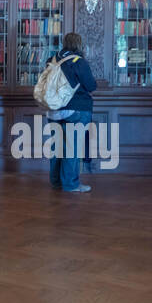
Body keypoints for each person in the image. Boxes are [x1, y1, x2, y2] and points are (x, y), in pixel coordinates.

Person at [47, 32, 98, 193]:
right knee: (72, 147)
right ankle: (71, 184)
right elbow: (91, 86)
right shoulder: (79, 61)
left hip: (54, 109)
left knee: (57, 148)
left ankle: (56, 182)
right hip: (76, 110)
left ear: (64, 43)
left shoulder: (52, 60)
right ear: (79, 44)